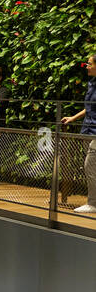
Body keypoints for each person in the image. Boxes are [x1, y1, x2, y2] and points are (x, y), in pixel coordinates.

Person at [60, 50, 96, 214]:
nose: (87, 66)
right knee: (92, 167)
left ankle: (93, 203)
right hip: (87, 129)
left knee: (90, 166)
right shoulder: (92, 83)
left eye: (90, 64)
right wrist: (73, 118)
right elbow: (89, 107)